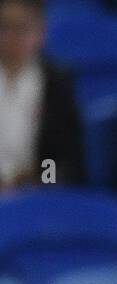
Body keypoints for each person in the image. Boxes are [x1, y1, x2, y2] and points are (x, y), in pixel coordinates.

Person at [0, 0, 82, 189]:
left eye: (22, 28)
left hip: (35, 190)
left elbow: (65, 156)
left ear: (40, 31)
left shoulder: (56, 81)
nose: (13, 37)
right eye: (5, 27)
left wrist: (44, 181)